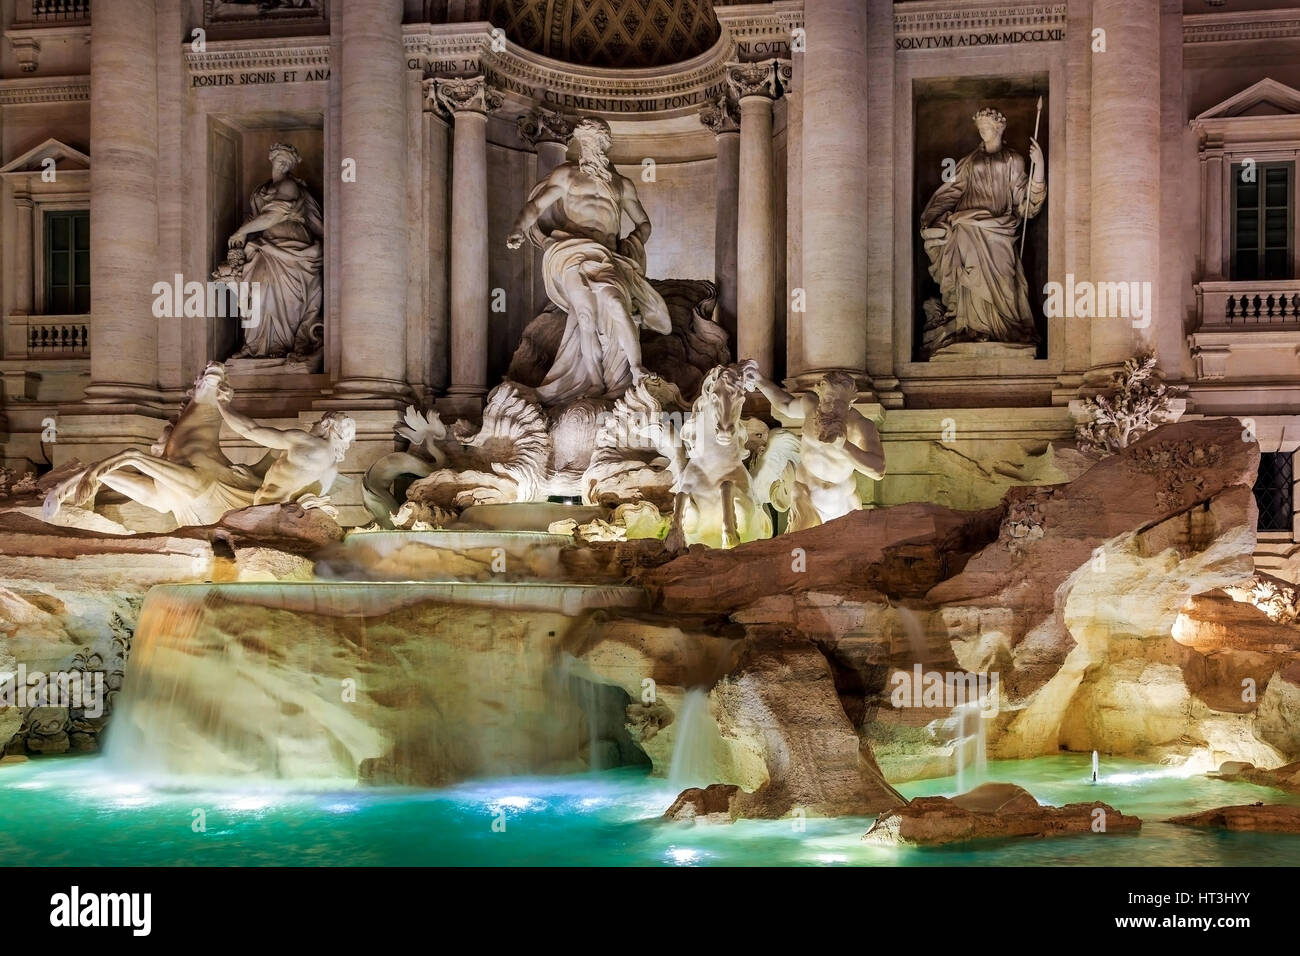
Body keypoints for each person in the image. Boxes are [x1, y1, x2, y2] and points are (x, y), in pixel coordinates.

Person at [507, 117, 670, 404]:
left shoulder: (622, 185)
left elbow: (644, 223)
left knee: (616, 303)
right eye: (584, 142)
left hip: (606, 256)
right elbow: (535, 206)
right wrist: (519, 228)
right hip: (570, 251)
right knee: (584, 315)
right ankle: (595, 382)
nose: (589, 148)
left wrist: (632, 245)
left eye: (594, 142)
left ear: (605, 144)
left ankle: (636, 370)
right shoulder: (566, 175)